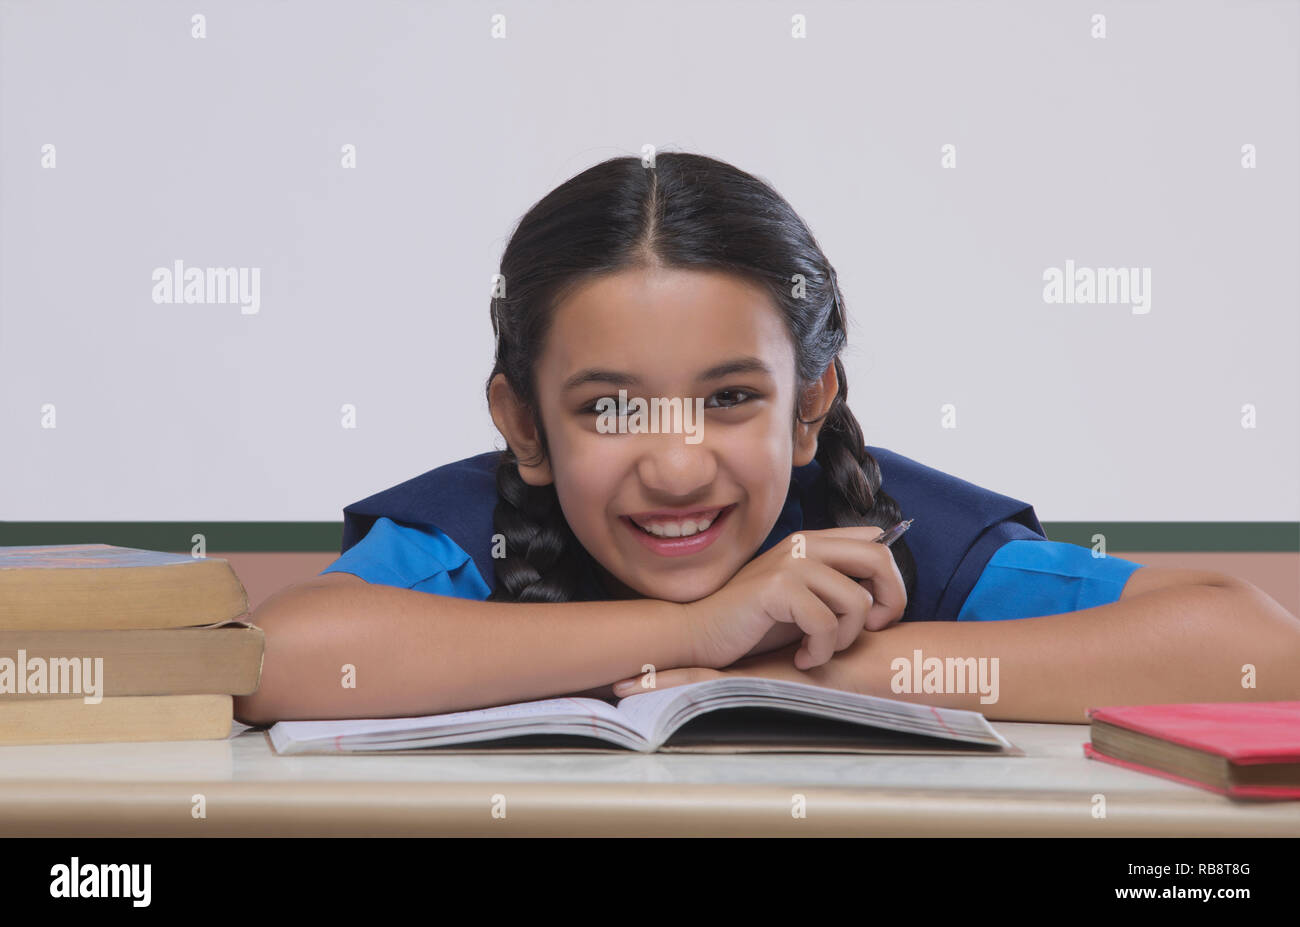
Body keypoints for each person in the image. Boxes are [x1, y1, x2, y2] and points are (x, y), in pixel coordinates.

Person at [234, 152, 1300, 726]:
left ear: (809, 407)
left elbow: (1255, 651)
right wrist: (693, 638)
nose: (677, 461)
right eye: (608, 408)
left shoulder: (891, 536)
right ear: (524, 423)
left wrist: (797, 674)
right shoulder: (479, 533)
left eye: (731, 397)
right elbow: (278, 661)